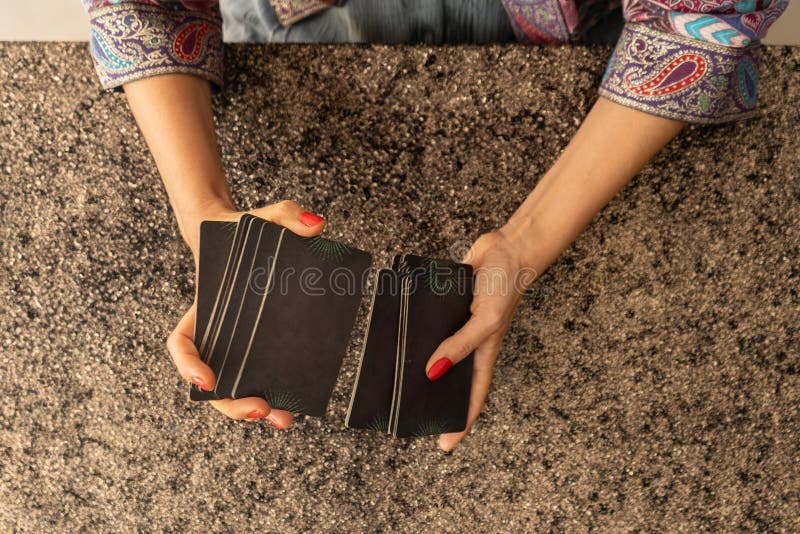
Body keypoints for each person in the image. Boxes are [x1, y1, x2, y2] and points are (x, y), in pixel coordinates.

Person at [81, 0, 788, 451]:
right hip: (297, 30)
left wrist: (526, 243)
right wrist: (207, 220)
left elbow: (708, 14)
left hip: (582, 61)